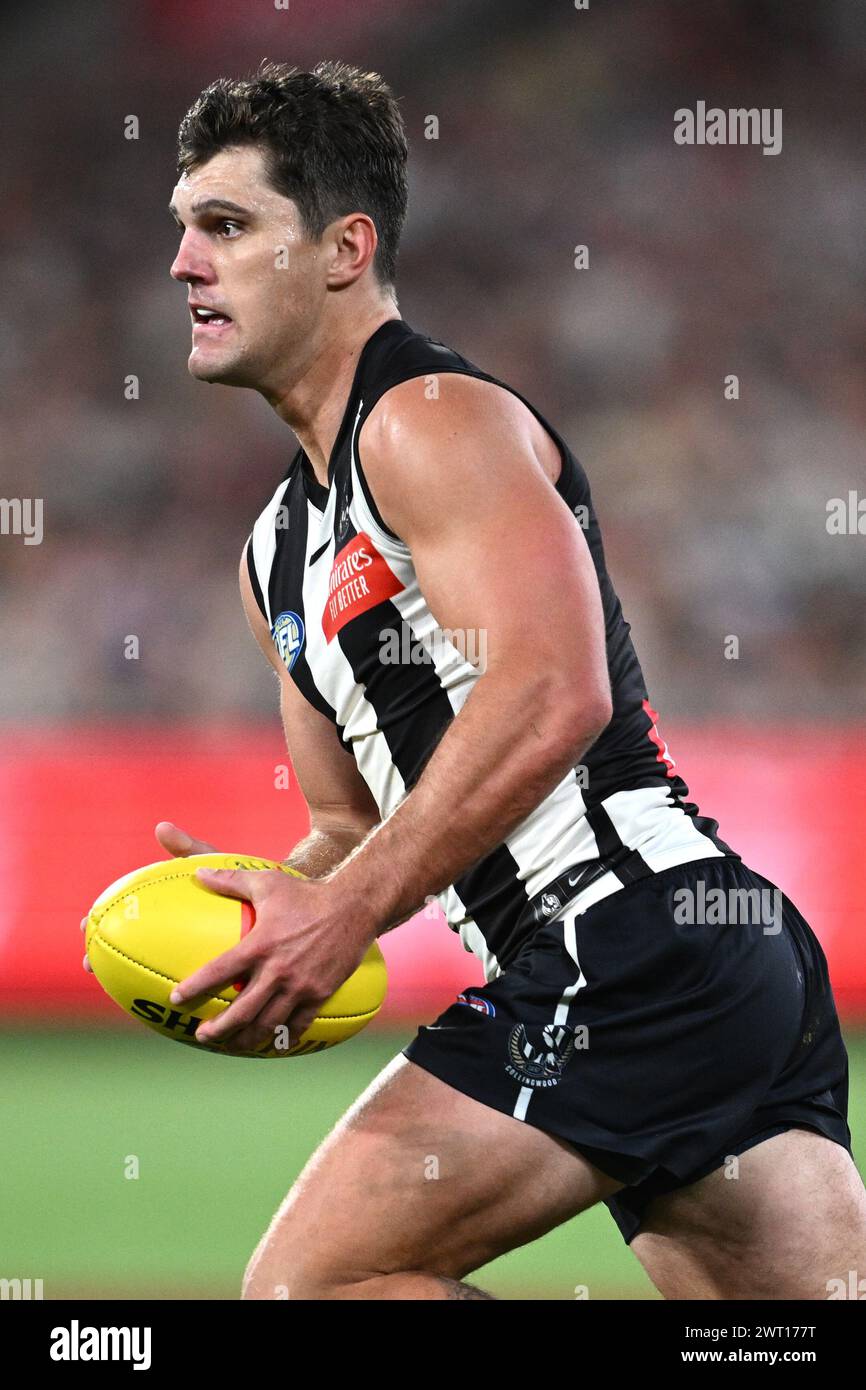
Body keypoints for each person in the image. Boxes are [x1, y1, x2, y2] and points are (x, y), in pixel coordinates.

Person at [98, 60, 866, 1299]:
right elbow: (351, 827)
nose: (184, 262)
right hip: (690, 964)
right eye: (183, 229)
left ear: (345, 248)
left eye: (227, 227)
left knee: (312, 1290)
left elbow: (556, 692)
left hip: (630, 936)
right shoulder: (273, 553)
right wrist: (270, 911)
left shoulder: (428, 417)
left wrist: (344, 916)